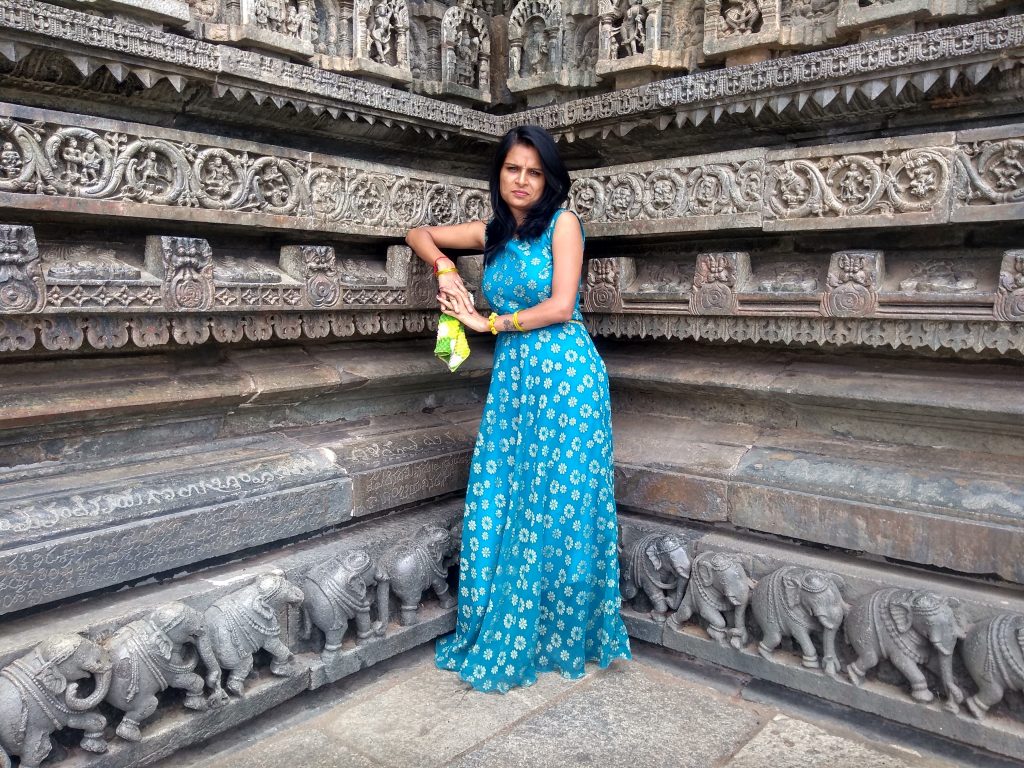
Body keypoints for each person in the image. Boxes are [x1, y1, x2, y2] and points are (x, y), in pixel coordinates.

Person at [405, 125, 631, 693]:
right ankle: (509, 621)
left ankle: (559, 633)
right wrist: (446, 268)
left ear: (549, 178)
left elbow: (559, 305)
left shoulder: (564, 224)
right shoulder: (493, 232)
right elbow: (419, 233)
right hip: (515, 380)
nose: (523, 180)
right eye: (513, 170)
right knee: (508, 493)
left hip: (565, 377)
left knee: (559, 502)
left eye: (534, 171)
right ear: (499, 175)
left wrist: (488, 322)